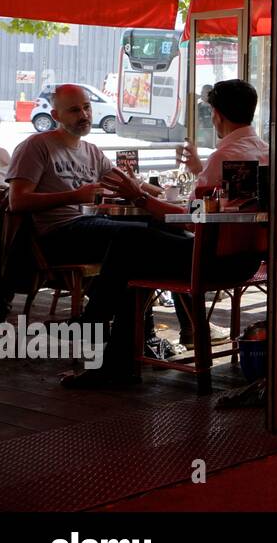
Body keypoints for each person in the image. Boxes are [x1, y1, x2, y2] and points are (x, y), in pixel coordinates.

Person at [4, 86, 220, 387]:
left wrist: (154, 191)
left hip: (92, 229)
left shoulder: (91, 151)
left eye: (87, 108)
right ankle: (124, 322)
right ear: (55, 115)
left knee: (152, 236)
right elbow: (18, 201)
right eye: (74, 110)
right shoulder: (35, 146)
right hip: (57, 234)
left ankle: (122, 349)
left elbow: (125, 182)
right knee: (134, 238)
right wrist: (75, 195)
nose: (84, 115)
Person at [175, 79, 268, 194]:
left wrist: (145, 198)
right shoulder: (268, 152)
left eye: (212, 112)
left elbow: (195, 209)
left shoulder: (222, 158)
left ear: (217, 116)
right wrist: (199, 169)